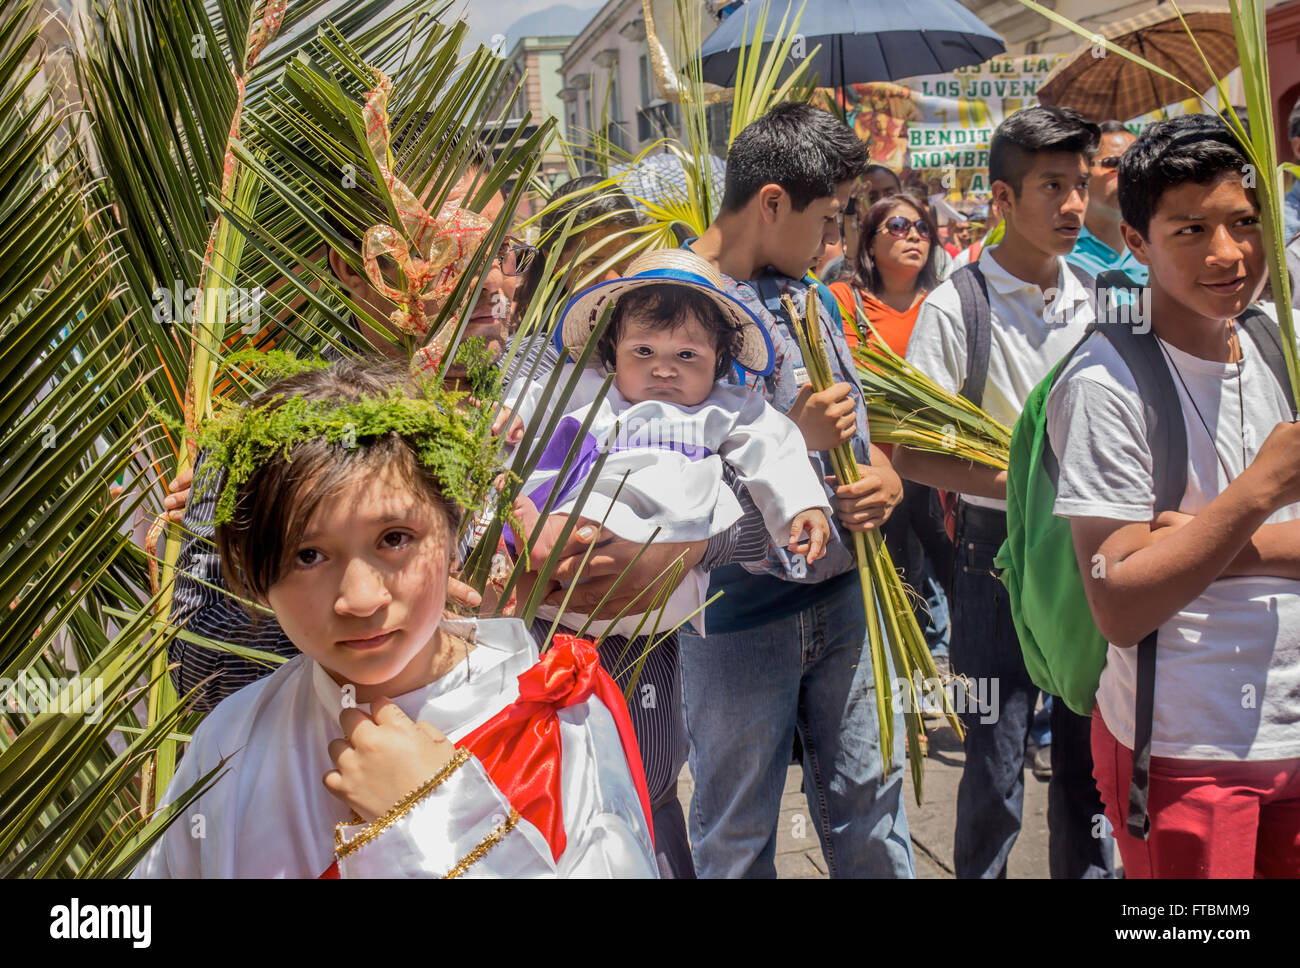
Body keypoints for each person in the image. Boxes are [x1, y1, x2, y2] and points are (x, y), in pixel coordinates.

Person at [134, 360, 658, 877]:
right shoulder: (233, 738)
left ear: (453, 531)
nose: (360, 599)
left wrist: (430, 816)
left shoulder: (555, 719)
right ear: (252, 570)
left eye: (394, 540)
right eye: (308, 555)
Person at [1049, 115, 1300, 878]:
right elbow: (1120, 604)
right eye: (1190, 230)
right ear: (1135, 241)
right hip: (1186, 752)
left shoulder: (1280, 343)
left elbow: (1150, 569)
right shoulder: (1103, 383)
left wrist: (1196, 542)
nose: (1228, 254)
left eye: (1245, 223)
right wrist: (1261, 490)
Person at [683, 101, 915, 878]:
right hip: (737, 615)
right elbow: (653, 470)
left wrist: (880, 474)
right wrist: (790, 440)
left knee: (872, 813)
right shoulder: (670, 306)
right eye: (826, 217)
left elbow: (861, 432)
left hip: (846, 598)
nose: (832, 238)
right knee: (739, 833)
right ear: (773, 201)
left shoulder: (812, 299)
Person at [896, 105, 1113, 880]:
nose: (1073, 205)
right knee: (992, 762)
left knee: (1093, 769)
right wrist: (1028, 486)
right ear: (1001, 199)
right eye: (1051, 185)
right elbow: (913, 452)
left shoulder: (1104, 296)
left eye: (1080, 185)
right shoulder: (957, 307)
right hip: (994, 561)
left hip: (1094, 554)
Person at [509, 249, 833, 641]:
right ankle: (526, 545)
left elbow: (777, 444)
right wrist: (513, 414)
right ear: (614, 348)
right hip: (571, 579)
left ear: (719, 360)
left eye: (686, 355)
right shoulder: (593, 385)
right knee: (573, 508)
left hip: (659, 577)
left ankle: (540, 537)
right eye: (643, 351)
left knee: (646, 497)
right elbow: (542, 394)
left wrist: (801, 503)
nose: (663, 368)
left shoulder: (726, 407)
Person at [826, 192, 952, 667]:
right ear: (869, 243)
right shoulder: (839, 302)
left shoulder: (950, 304)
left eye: (923, 228)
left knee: (949, 585)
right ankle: (905, 697)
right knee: (890, 589)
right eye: (898, 226)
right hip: (870, 476)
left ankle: (948, 679)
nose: (914, 235)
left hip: (938, 476)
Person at [1067, 120, 1148, 285]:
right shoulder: (1058, 251)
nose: (1126, 172)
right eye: (1112, 163)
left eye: (1134, 162)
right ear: (1082, 171)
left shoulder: (1161, 246)